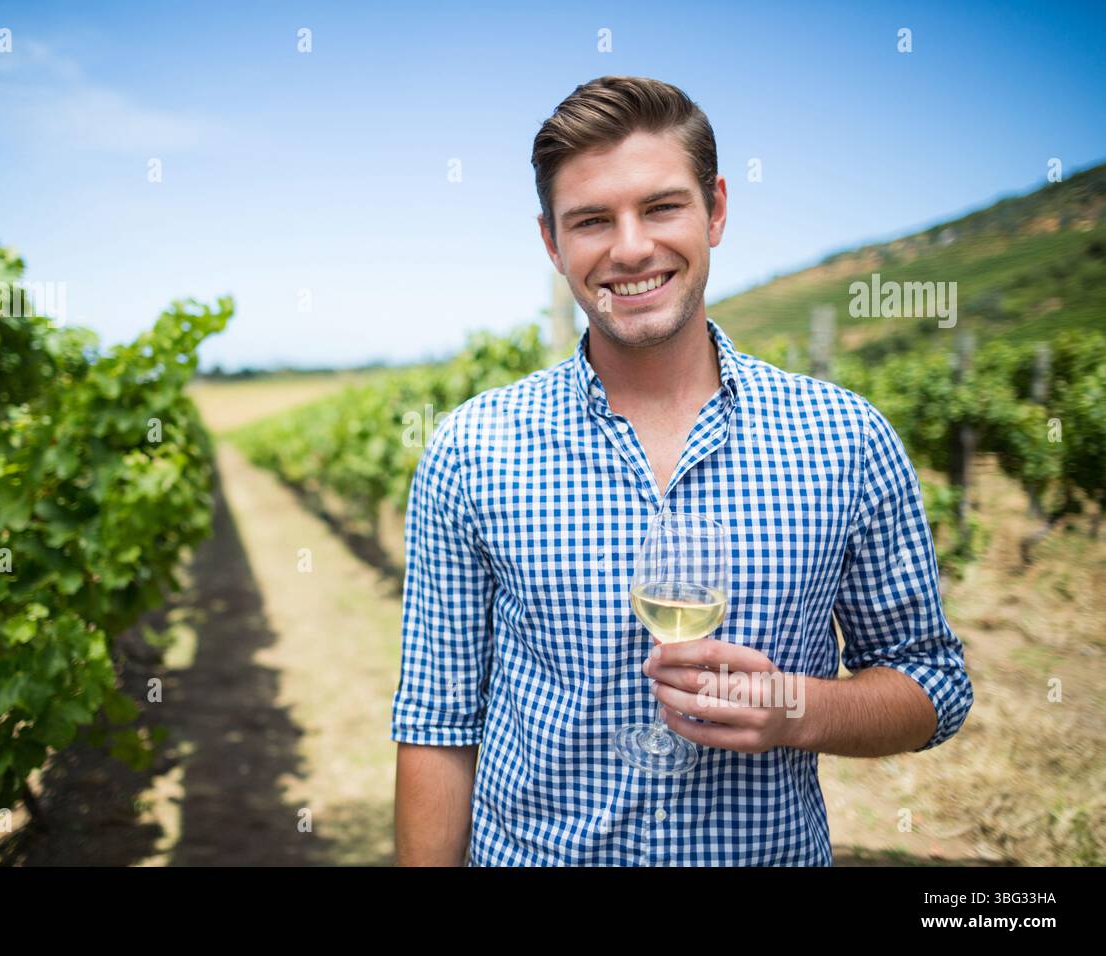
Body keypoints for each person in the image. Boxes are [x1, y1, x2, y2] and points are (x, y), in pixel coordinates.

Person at [390, 75, 974, 866]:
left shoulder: (846, 439)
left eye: (661, 207)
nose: (630, 247)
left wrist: (798, 711)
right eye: (592, 220)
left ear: (717, 210)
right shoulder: (472, 449)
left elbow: (931, 681)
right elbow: (438, 722)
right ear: (552, 242)